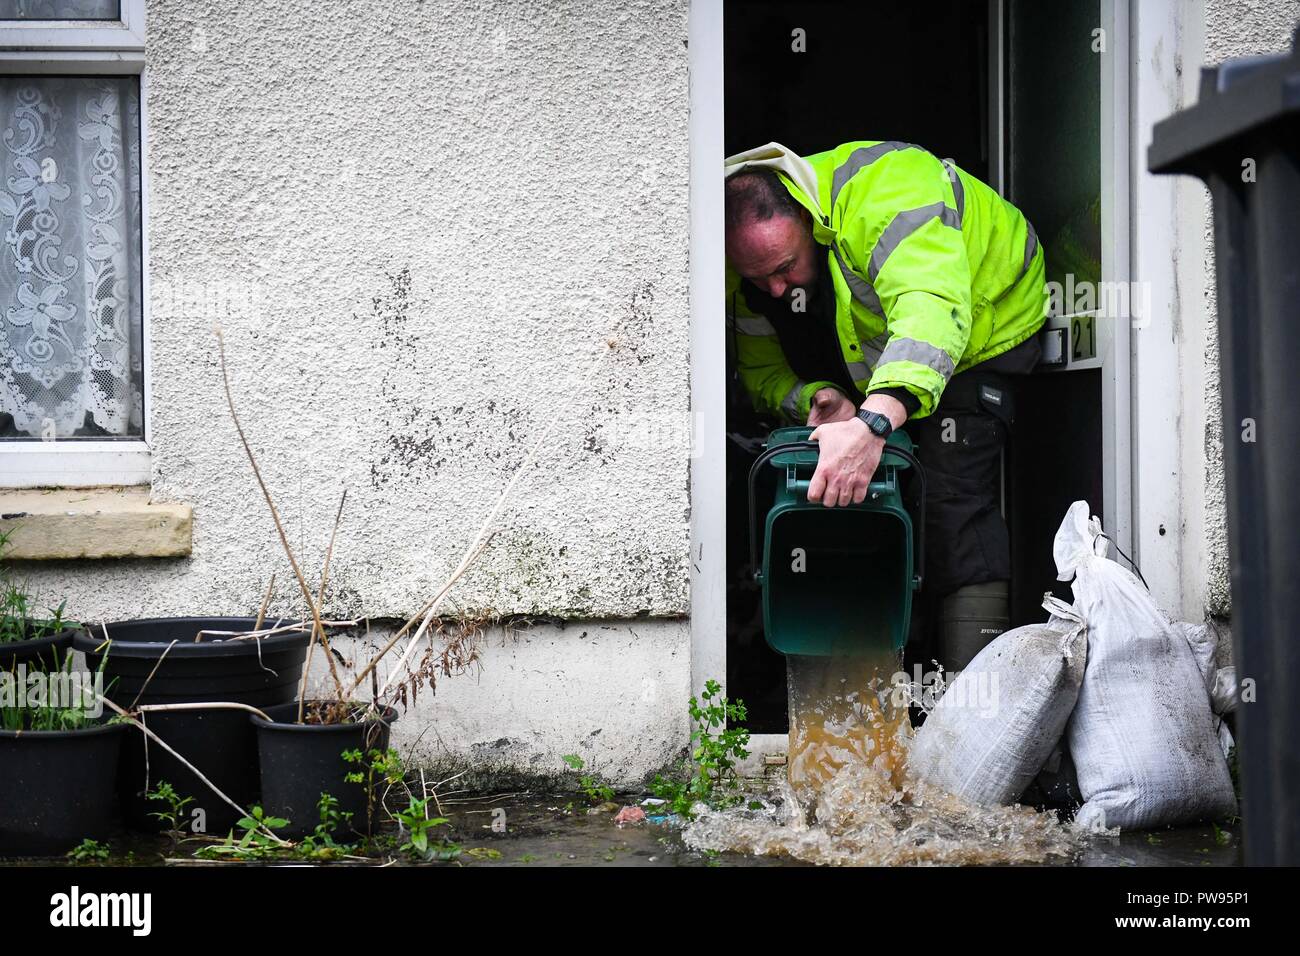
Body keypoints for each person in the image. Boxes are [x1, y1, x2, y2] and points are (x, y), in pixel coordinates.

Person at [724, 140, 1048, 673]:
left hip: (983, 332)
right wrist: (816, 398)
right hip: (879, 351)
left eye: (785, 267)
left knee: (950, 498)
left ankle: (969, 703)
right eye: (759, 278)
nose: (777, 288)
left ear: (808, 216)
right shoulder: (758, 274)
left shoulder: (891, 191)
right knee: (855, 492)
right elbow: (760, 372)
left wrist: (873, 422)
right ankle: (878, 669)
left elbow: (931, 312)